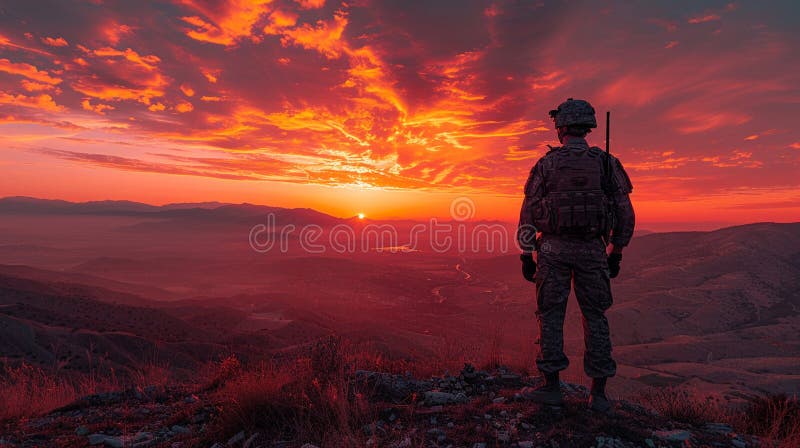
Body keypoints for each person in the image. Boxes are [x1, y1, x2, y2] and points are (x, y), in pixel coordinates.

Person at [516, 98, 635, 413]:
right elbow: (625, 211)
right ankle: (598, 395)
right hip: (593, 251)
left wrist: (526, 254)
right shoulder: (606, 163)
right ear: (588, 127)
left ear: (561, 127)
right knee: (595, 317)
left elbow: (527, 212)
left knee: (550, 316)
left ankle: (551, 387)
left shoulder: (546, 164)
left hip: (553, 251)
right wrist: (616, 251)